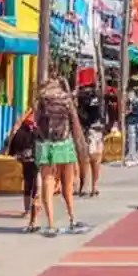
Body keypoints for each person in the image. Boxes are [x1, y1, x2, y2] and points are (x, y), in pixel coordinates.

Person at [33, 78, 88, 236]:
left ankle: (50, 223)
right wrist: (80, 146)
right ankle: (72, 218)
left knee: (47, 183)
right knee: (67, 185)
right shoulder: (66, 98)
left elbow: (37, 122)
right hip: (65, 143)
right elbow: (74, 121)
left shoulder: (42, 100)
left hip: (46, 145)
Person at [5, 108, 41, 232]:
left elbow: (11, 146)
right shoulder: (35, 127)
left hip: (26, 159)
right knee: (35, 185)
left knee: (29, 183)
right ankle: (32, 214)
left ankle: (28, 211)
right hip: (35, 159)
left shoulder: (21, 129)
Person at [75, 85, 104, 197]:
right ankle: (88, 185)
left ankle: (91, 186)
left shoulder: (92, 101)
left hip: (93, 131)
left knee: (90, 160)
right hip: (92, 132)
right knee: (90, 159)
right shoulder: (90, 100)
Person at [124, 92, 138, 166]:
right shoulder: (128, 102)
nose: (129, 96)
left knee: (137, 140)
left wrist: (128, 112)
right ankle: (133, 155)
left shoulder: (137, 103)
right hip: (132, 122)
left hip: (136, 122)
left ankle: (137, 156)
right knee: (132, 140)